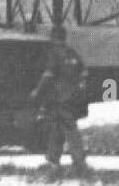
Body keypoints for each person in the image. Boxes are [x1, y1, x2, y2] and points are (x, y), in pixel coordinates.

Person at [30, 26, 90, 176]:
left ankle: (79, 162)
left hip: (59, 97)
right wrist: (79, 88)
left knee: (69, 128)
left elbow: (48, 75)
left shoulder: (55, 54)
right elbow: (84, 72)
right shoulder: (72, 53)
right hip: (72, 97)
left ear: (55, 38)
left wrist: (37, 91)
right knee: (58, 127)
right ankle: (53, 160)